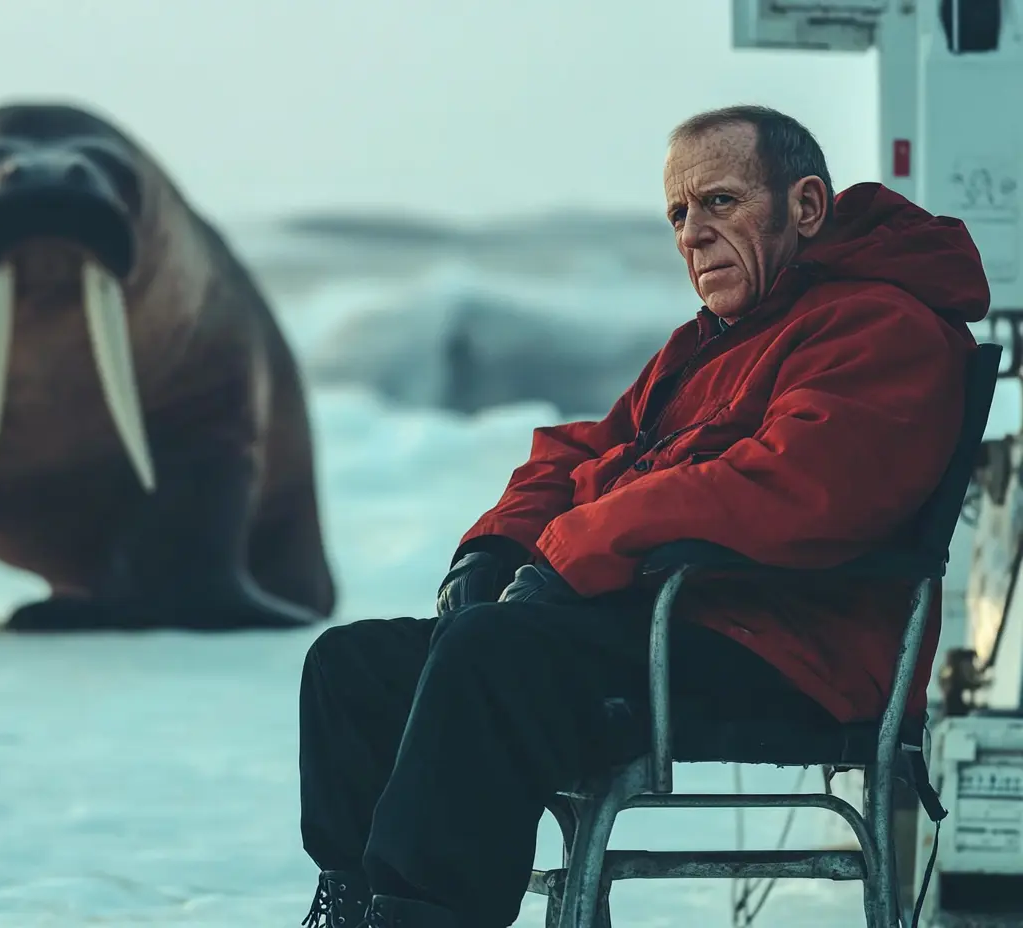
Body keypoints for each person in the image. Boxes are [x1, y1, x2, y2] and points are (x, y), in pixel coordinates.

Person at [297, 105, 990, 928]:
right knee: (353, 667)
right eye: (678, 213)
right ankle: (356, 907)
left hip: (792, 654)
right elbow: (585, 450)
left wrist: (574, 553)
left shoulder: (885, 328)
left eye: (721, 202)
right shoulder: (712, 341)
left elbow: (791, 489)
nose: (693, 234)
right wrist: (495, 547)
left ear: (805, 206)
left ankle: (423, 918)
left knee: (491, 657)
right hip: (668, 626)